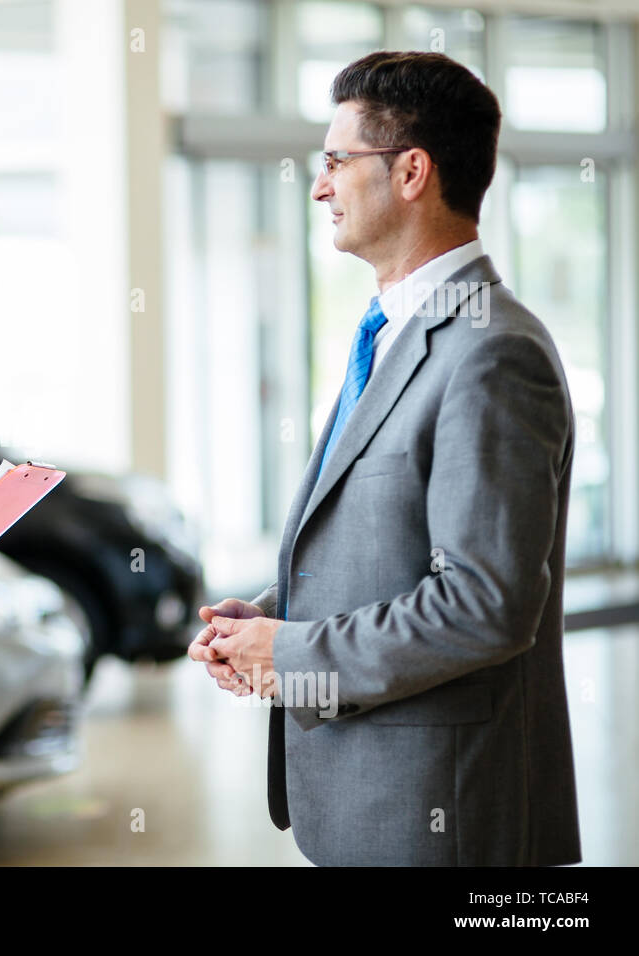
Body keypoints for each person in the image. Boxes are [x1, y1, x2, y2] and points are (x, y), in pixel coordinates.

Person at [189, 51, 581, 865]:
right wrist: (270, 619)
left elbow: (484, 604)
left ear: (411, 172)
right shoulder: (395, 331)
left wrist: (292, 655)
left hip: (440, 817)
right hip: (371, 805)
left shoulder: (493, 353)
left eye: (335, 160)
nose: (320, 185)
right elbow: (390, 546)